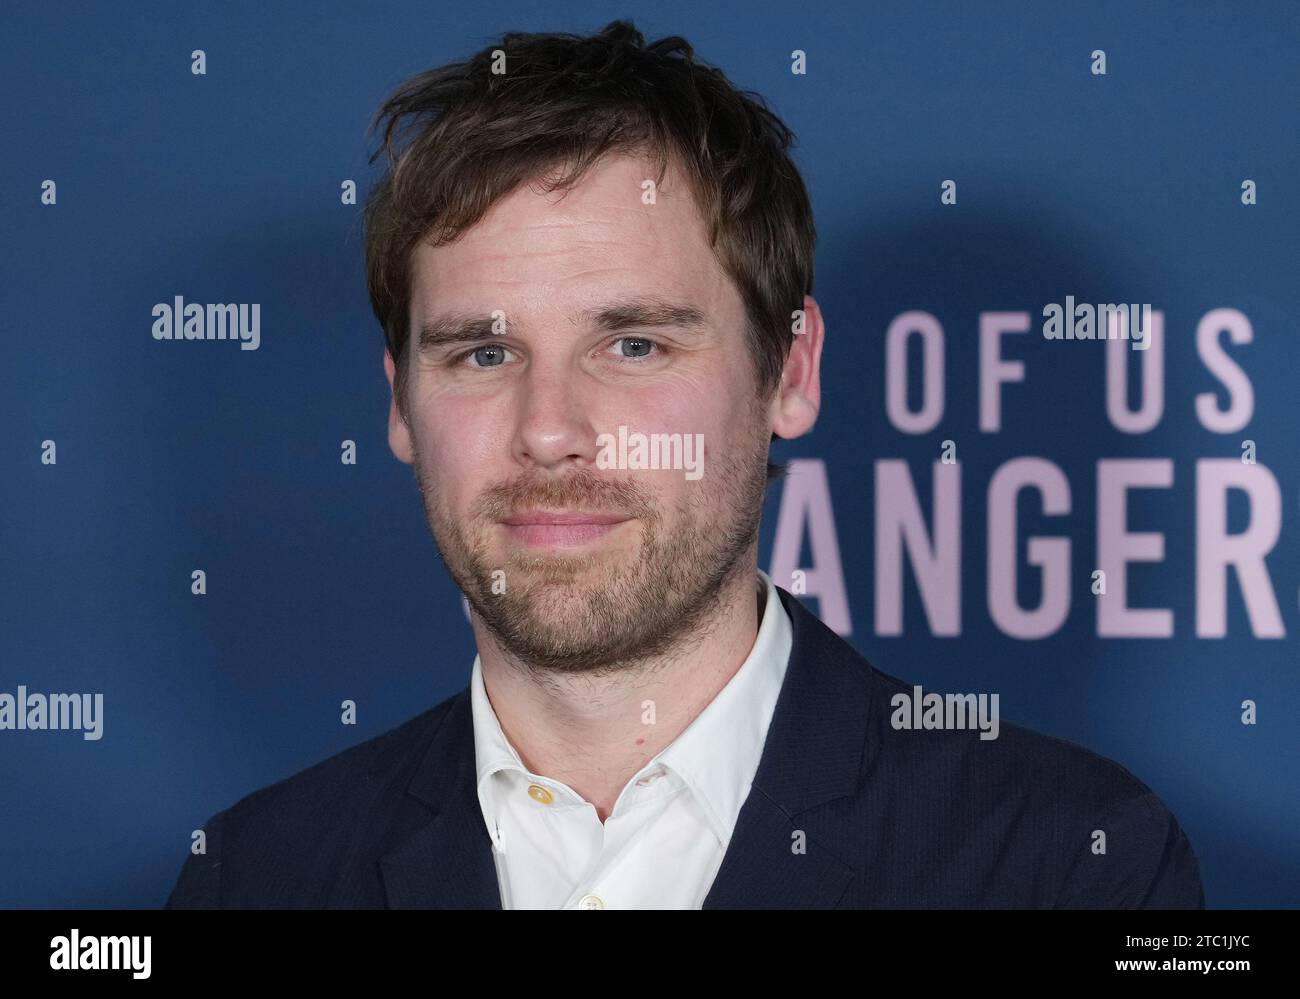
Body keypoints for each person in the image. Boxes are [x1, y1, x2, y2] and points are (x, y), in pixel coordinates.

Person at [165, 20, 1204, 909]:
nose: (550, 431)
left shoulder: (1070, 863)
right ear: (399, 403)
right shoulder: (256, 877)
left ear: (789, 372)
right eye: (482, 353)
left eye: (634, 345)